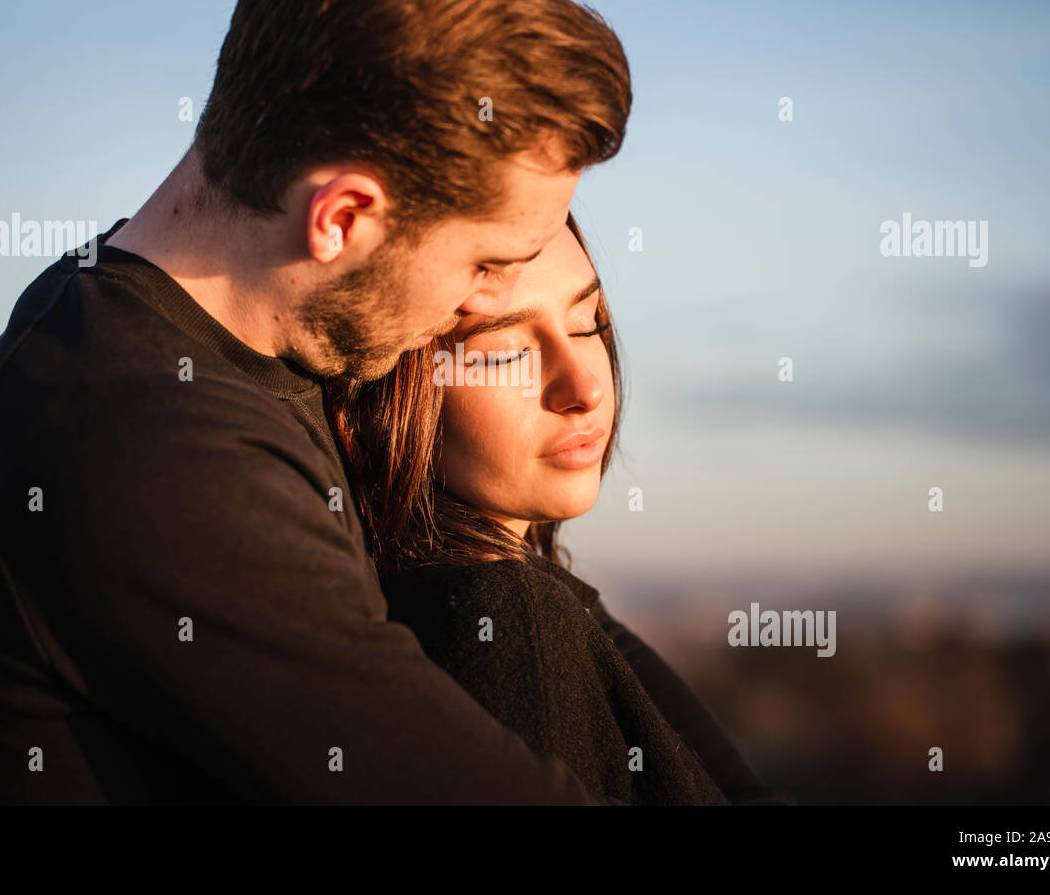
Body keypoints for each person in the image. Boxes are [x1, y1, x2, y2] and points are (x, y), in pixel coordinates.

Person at [0, 0, 633, 803]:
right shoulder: (144, 447)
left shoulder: (225, 336)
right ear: (343, 217)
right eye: (486, 263)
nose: (483, 300)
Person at [326, 214, 793, 804]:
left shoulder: (521, 595)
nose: (584, 388)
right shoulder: (504, 615)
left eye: (585, 322)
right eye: (502, 355)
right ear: (378, 401)